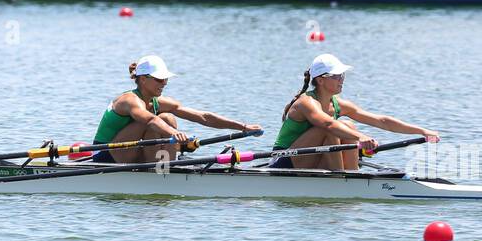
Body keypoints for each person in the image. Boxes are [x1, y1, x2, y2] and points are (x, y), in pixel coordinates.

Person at [272, 54, 439, 170]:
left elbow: (382, 121)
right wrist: (361, 137)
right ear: (321, 80)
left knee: (348, 125)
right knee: (332, 128)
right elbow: (328, 124)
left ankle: (352, 174)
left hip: (310, 158)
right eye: (337, 76)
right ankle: (341, 179)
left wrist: (422, 131)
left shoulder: (339, 105)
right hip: (284, 161)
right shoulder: (306, 102)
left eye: (342, 75)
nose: (342, 79)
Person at [91, 55, 259, 163]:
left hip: (129, 152)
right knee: (155, 121)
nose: (164, 83)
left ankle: (164, 169)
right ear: (143, 79)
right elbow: (150, 120)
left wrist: (243, 127)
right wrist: (174, 134)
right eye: (159, 79)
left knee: (167, 118)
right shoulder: (129, 100)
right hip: (105, 155)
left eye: (166, 79)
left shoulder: (158, 102)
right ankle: (159, 173)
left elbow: (203, 117)